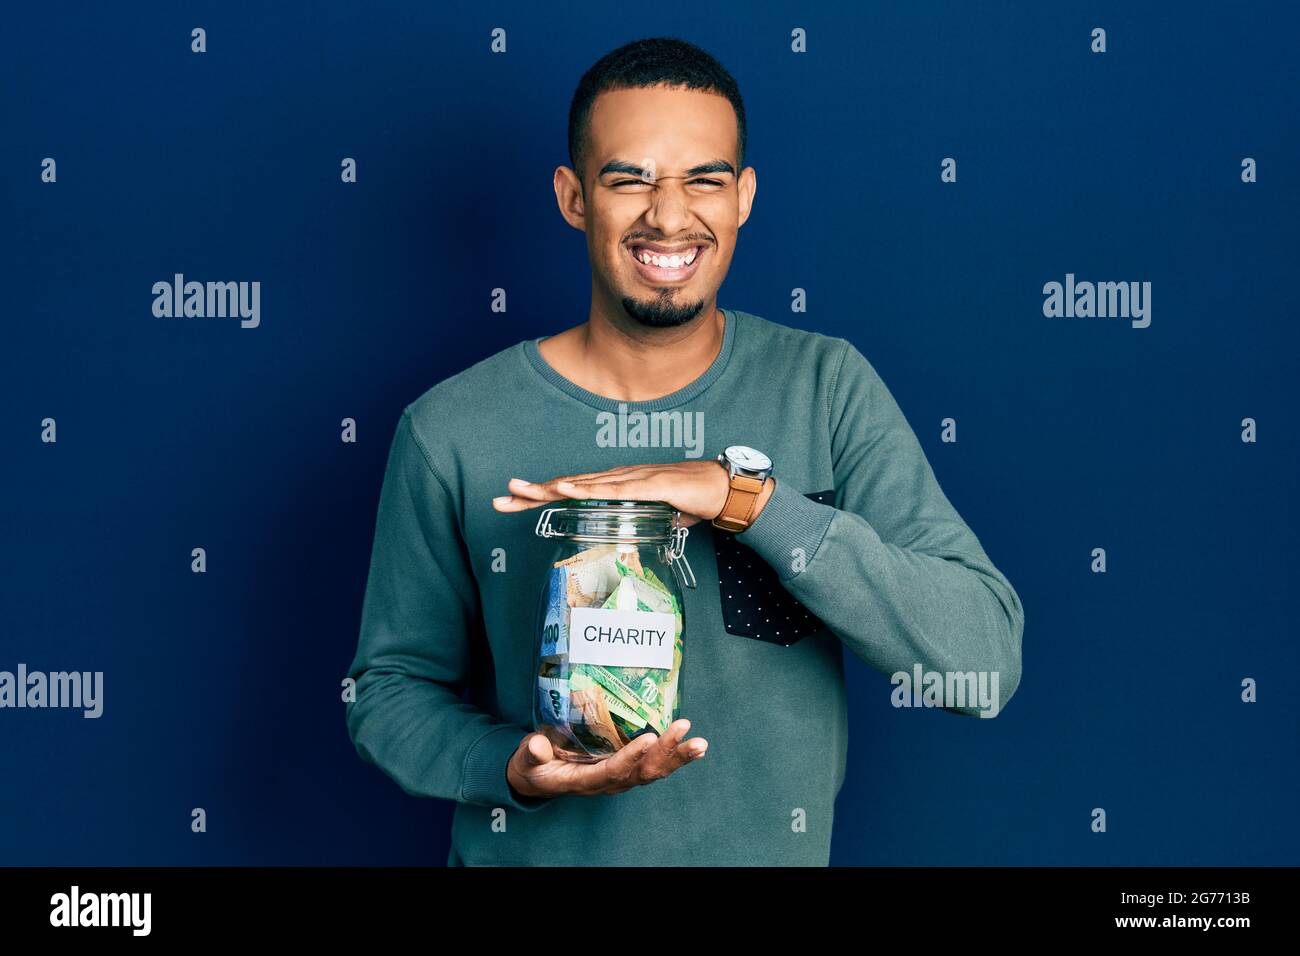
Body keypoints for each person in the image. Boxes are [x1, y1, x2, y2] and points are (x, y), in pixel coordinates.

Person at [345, 36, 1024, 866]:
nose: (669, 217)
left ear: (743, 197)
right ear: (572, 197)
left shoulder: (827, 386)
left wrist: (751, 504)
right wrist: (507, 770)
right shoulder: (451, 426)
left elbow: (984, 665)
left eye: (703, 179)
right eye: (629, 180)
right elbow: (387, 692)